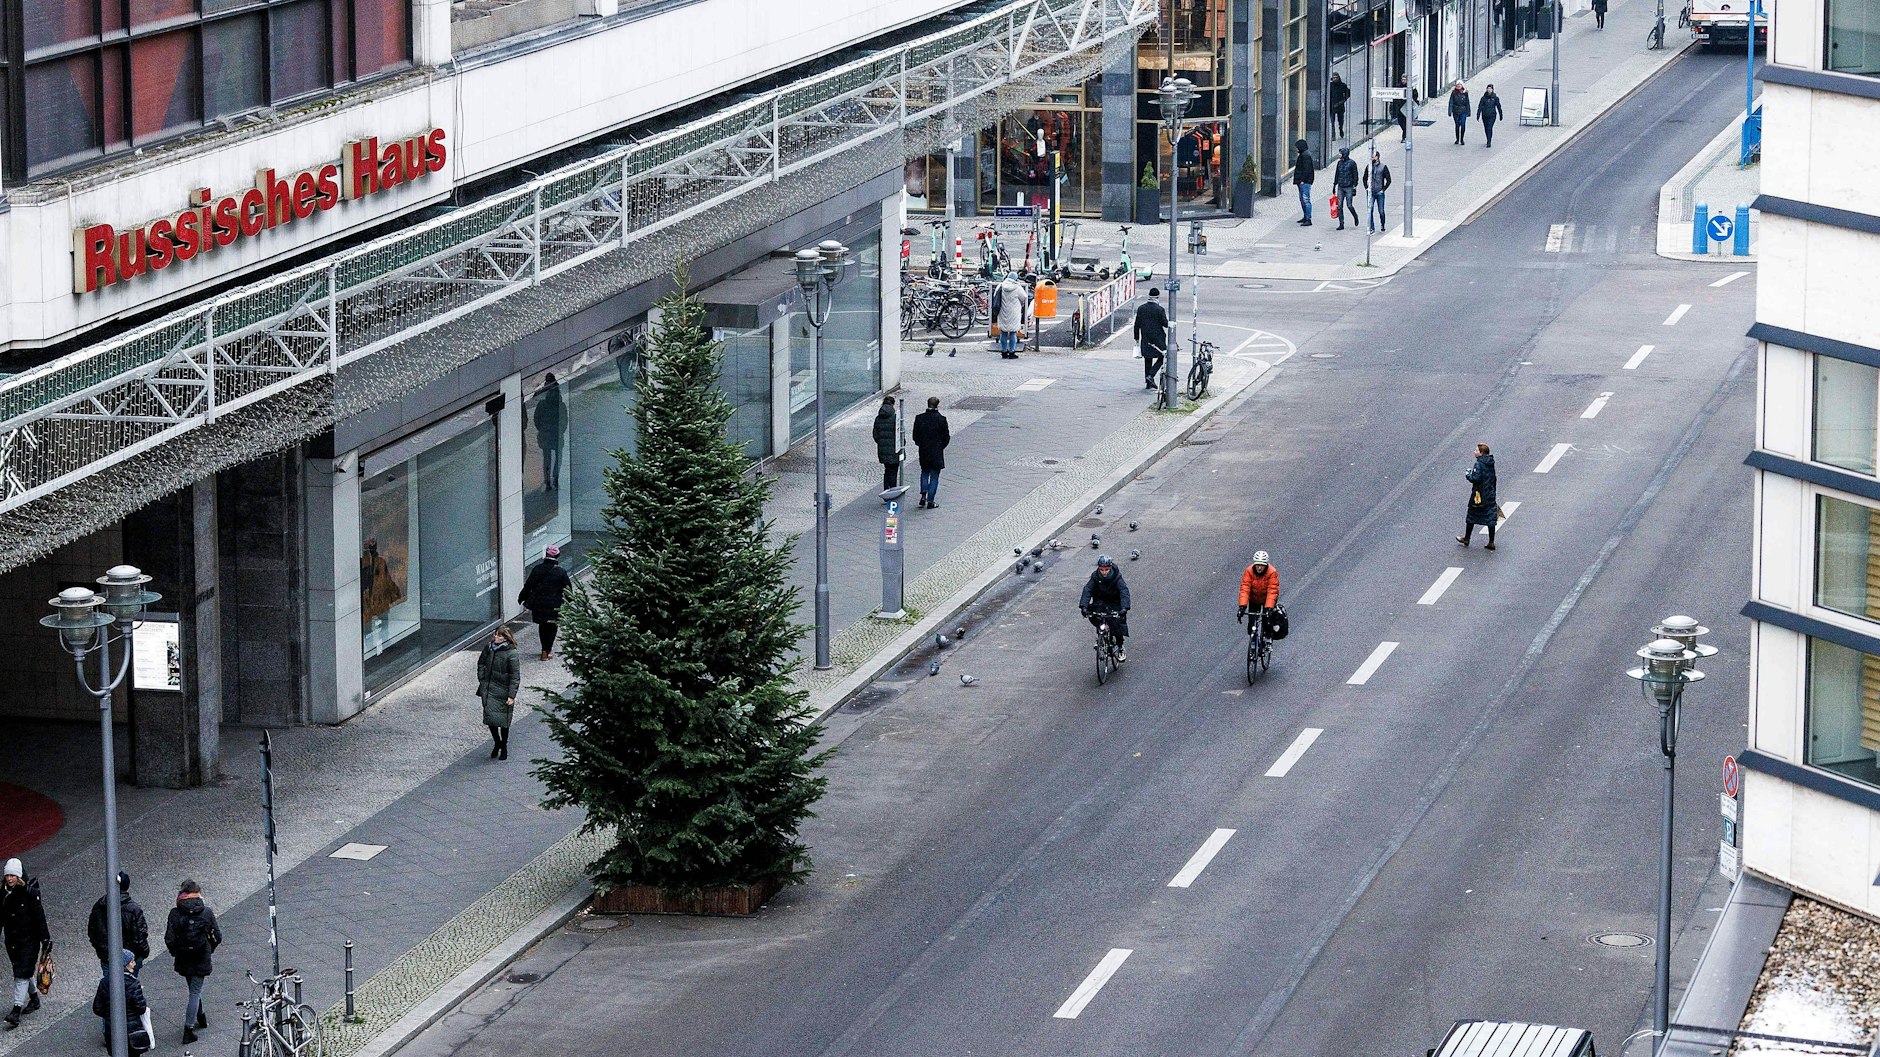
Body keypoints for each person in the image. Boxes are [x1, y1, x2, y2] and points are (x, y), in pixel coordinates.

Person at [163, 879, 220, 1044]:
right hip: (201, 956)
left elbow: (169, 938)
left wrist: (175, 952)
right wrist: (210, 948)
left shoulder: (175, 913)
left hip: (183, 957)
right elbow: (218, 935)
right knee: (195, 991)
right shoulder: (206, 912)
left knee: (193, 988)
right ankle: (188, 1029)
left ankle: (200, 1016)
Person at [2, 859, 48, 1030]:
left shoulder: (29, 893)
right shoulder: (4, 893)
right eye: (7, 875)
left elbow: (39, 917)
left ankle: (16, 1010)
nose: (9, 878)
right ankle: (34, 999)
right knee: (23, 969)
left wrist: (45, 939)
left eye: (12, 875)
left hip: (29, 940)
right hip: (13, 941)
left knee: (21, 973)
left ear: (19, 876)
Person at [88, 872, 149, 977]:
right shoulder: (133, 909)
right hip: (130, 957)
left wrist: (102, 950)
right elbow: (139, 935)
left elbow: (93, 932)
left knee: (110, 986)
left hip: (107, 957)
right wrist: (142, 953)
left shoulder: (99, 906)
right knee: (130, 986)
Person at [518, 545, 573, 660]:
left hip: (540, 603)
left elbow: (529, 585)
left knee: (543, 626)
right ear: (558, 556)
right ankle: (547, 651)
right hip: (555, 604)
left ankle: (544, 649)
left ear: (546, 555)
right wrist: (570, 601)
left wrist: (521, 597)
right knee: (552, 626)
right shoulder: (560, 572)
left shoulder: (537, 569)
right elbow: (568, 589)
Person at [92, 949, 149, 1053]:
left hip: (112, 1031)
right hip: (132, 1032)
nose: (134, 964)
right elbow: (141, 1008)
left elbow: (97, 1008)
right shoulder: (133, 983)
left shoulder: (105, 982)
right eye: (132, 961)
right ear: (125, 964)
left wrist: (110, 1015)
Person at [477, 626, 521, 760]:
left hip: (503, 690)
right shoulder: (489, 648)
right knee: (491, 719)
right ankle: (497, 743)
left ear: (505, 638)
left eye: (499, 636)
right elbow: (481, 663)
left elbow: (515, 676)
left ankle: (504, 746)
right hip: (489, 689)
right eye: (495, 635)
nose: (495, 637)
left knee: (503, 721)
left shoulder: (511, 653)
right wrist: (482, 678)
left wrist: (511, 695)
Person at [1079, 554, 1132, 662]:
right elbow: (1087, 590)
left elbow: (1124, 592)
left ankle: (1120, 646)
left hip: (1114, 602)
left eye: (1106, 569)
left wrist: (1124, 608)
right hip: (1100, 602)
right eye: (1102, 569)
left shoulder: (1117, 578)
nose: (1104, 572)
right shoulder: (1095, 577)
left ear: (1110, 568)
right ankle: (1100, 637)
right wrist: (1084, 606)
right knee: (1096, 616)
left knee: (1117, 623)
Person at [911, 396, 950, 509]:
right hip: (936, 452)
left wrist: (921, 444)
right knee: (934, 476)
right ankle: (930, 501)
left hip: (924, 450)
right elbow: (946, 437)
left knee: (924, 472)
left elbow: (915, 436)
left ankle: (923, 494)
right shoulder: (941, 420)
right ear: (938, 405)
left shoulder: (919, 418)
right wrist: (940, 447)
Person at [1458, 442, 1499, 550]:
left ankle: (1466, 538)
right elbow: (1493, 478)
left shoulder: (1479, 464)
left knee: (1471, 515)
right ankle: (1491, 541)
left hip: (1479, 495)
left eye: (1476, 450)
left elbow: (1475, 478)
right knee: (1490, 518)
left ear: (1481, 453)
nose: (1474, 452)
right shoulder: (1490, 463)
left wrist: (1468, 474)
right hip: (1489, 494)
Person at [532, 372, 565, 490]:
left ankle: (547, 482)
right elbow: (564, 420)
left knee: (547, 458)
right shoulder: (560, 403)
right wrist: (560, 431)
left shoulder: (542, 403)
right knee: (558, 457)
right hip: (556, 434)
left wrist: (541, 430)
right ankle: (555, 478)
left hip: (545, 435)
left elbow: (536, 419)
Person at [1133, 288, 1169, 391]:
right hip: (1158, 339)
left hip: (1146, 338)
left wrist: (1136, 338)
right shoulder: (1159, 309)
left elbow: (1137, 325)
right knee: (1161, 358)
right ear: (1157, 297)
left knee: (1148, 359)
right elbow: (1165, 324)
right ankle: (1151, 375)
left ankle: (1148, 383)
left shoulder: (1141, 308)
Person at [991, 273, 1029, 358]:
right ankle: (1012, 352)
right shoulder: (1018, 287)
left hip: (1003, 311)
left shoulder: (1001, 285)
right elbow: (1024, 297)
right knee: (1013, 333)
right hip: (1014, 313)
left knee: (1003, 332)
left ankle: (1004, 352)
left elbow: (995, 296)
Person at [1237, 551, 1280, 625]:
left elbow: (1272, 591)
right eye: (1257, 565)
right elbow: (1245, 589)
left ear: (1266, 565)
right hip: (1254, 599)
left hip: (1267, 599)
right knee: (1251, 625)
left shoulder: (1272, 572)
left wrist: (1269, 607)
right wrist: (1242, 606)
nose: (1259, 568)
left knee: (1267, 622)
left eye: (1262, 565)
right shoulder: (1249, 571)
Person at [872, 396, 903, 492]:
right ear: (893, 404)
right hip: (895, 449)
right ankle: (893, 492)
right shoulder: (895, 418)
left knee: (887, 471)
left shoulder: (878, 418)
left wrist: (881, 443)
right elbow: (900, 434)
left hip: (883, 450)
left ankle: (886, 491)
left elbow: (875, 434)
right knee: (894, 471)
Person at [1363, 150, 1393, 233]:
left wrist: (1383, 190)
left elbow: (1389, 180)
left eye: (1373, 156)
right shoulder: (1368, 167)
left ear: (1377, 157)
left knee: (1381, 211)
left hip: (1379, 192)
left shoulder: (1383, 167)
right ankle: (1371, 227)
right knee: (1370, 210)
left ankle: (1382, 224)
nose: (1371, 158)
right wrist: (1366, 187)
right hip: (1371, 192)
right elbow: (1364, 178)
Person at [1332, 148, 1360, 231]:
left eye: (1340, 153)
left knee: (1349, 205)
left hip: (1349, 187)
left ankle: (1355, 216)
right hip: (1340, 186)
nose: (1339, 155)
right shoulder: (1339, 163)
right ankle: (1341, 223)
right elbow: (1337, 174)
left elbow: (1355, 175)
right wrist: (1334, 185)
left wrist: (1355, 186)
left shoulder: (1352, 163)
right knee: (1339, 206)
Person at [1291, 139, 1318, 226]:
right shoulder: (1305, 154)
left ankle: (1308, 219)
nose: (1296, 149)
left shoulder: (1305, 156)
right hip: (1304, 181)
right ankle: (1306, 217)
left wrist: (1302, 180)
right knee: (1303, 199)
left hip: (1304, 182)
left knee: (1305, 199)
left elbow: (1306, 170)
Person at [1328, 73, 1350, 138]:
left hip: (1340, 106)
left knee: (1340, 120)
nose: (1335, 79)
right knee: (1332, 121)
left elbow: (1348, 94)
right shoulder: (1330, 86)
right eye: (1334, 78)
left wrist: (1342, 101)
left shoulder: (1343, 85)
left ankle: (1341, 129)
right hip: (1332, 106)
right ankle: (1333, 133)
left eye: (1336, 77)